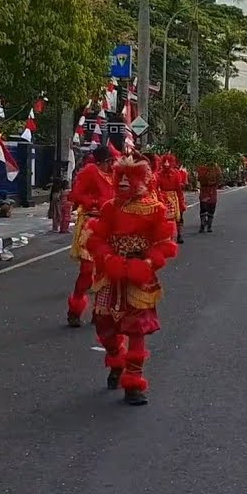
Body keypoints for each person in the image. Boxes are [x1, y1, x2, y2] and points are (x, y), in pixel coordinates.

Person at [85, 154, 178, 406]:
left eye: (130, 177)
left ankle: (134, 383)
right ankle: (116, 359)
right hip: (110, 275)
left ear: (141, 181)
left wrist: (147, 263)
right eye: (121, 177)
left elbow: (164, 244)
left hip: (139, 277)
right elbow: (97, 238)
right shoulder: (110, 207)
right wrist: (107, 258)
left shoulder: (156, 209)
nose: (124, 181)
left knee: (137, 330)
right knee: (104, 326)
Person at [67, 146, 115, 327]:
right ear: (102, 161)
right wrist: (94, 202)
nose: (112, 164)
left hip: (108, 227)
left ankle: (99, 311)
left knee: (105, 271)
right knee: (87, 271)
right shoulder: (90, 172)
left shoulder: (115, 176)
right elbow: (76, 194)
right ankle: (75, 310)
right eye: (109, 161)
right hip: (90, 225)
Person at [156, 153, 187, 244]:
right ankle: (167, 236)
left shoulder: (176, 173)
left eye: (168, 162)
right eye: (165, 162)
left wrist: (181, 202)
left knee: (178, 217)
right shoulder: (158, 174)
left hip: (174, 197)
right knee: (165, 218)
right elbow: (156, 188)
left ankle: (179, 234)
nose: (166, 164)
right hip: (163, 197)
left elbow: (179, 189)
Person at [196, 161, 222, 233]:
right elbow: (219, 179)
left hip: (206, 190)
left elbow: (199, 179)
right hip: (210, 191)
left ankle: (204, 225)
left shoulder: (202, 168)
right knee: (210, 208)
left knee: (205, 208)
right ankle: (207, 226)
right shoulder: (215, 168)